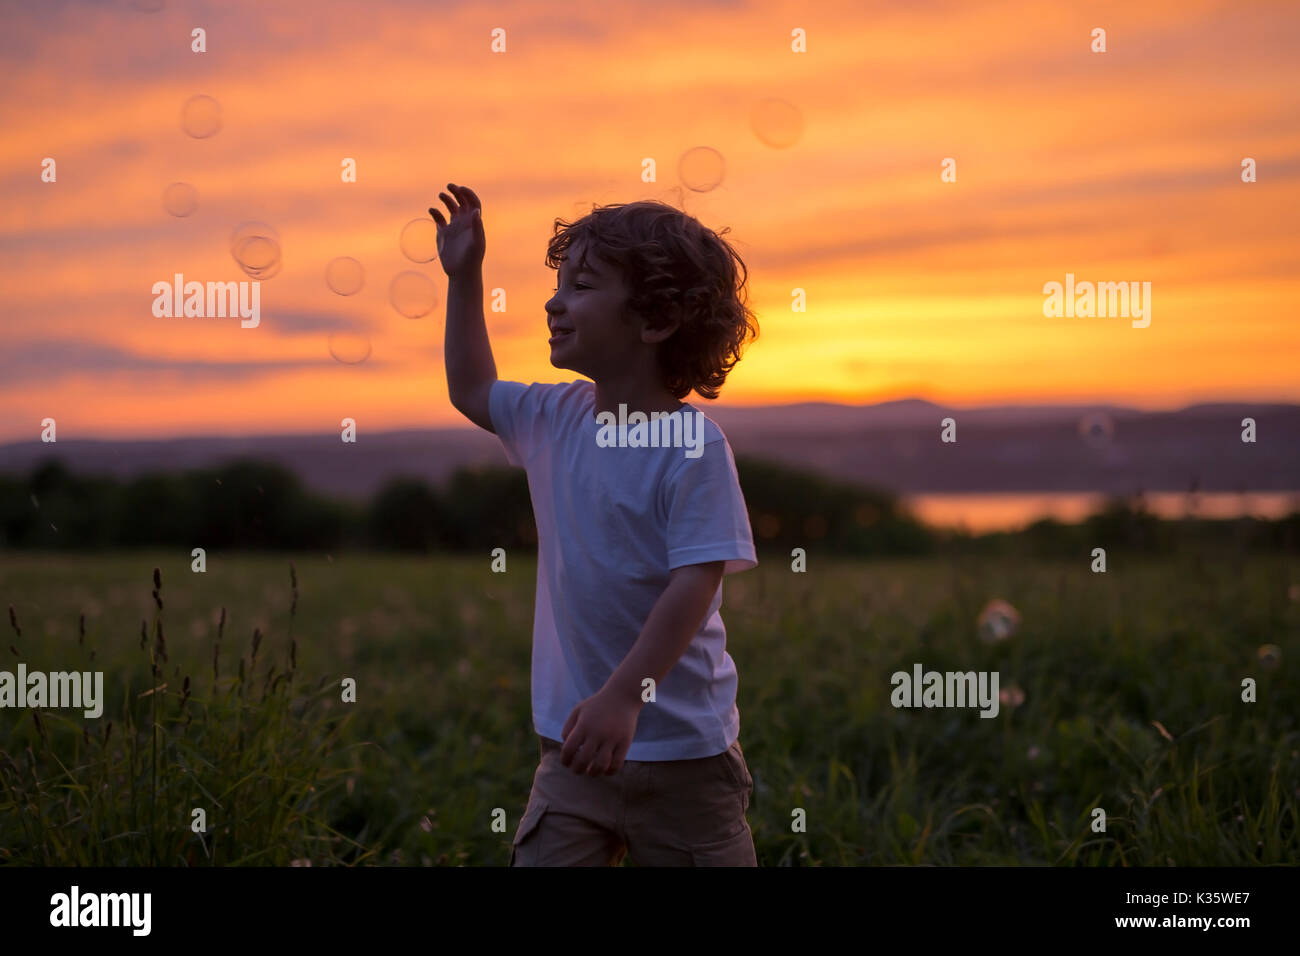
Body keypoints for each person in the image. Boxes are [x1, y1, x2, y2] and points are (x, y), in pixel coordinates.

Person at [431, 183, 761, 866]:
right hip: (574, 746)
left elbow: (693, 585)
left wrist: (625, 696)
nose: (554, 302)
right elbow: (469, 387)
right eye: (558, 284)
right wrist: (465, 278)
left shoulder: (691, 447)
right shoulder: (551, 420)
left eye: (581, 286)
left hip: (684, 758)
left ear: (657, 320)